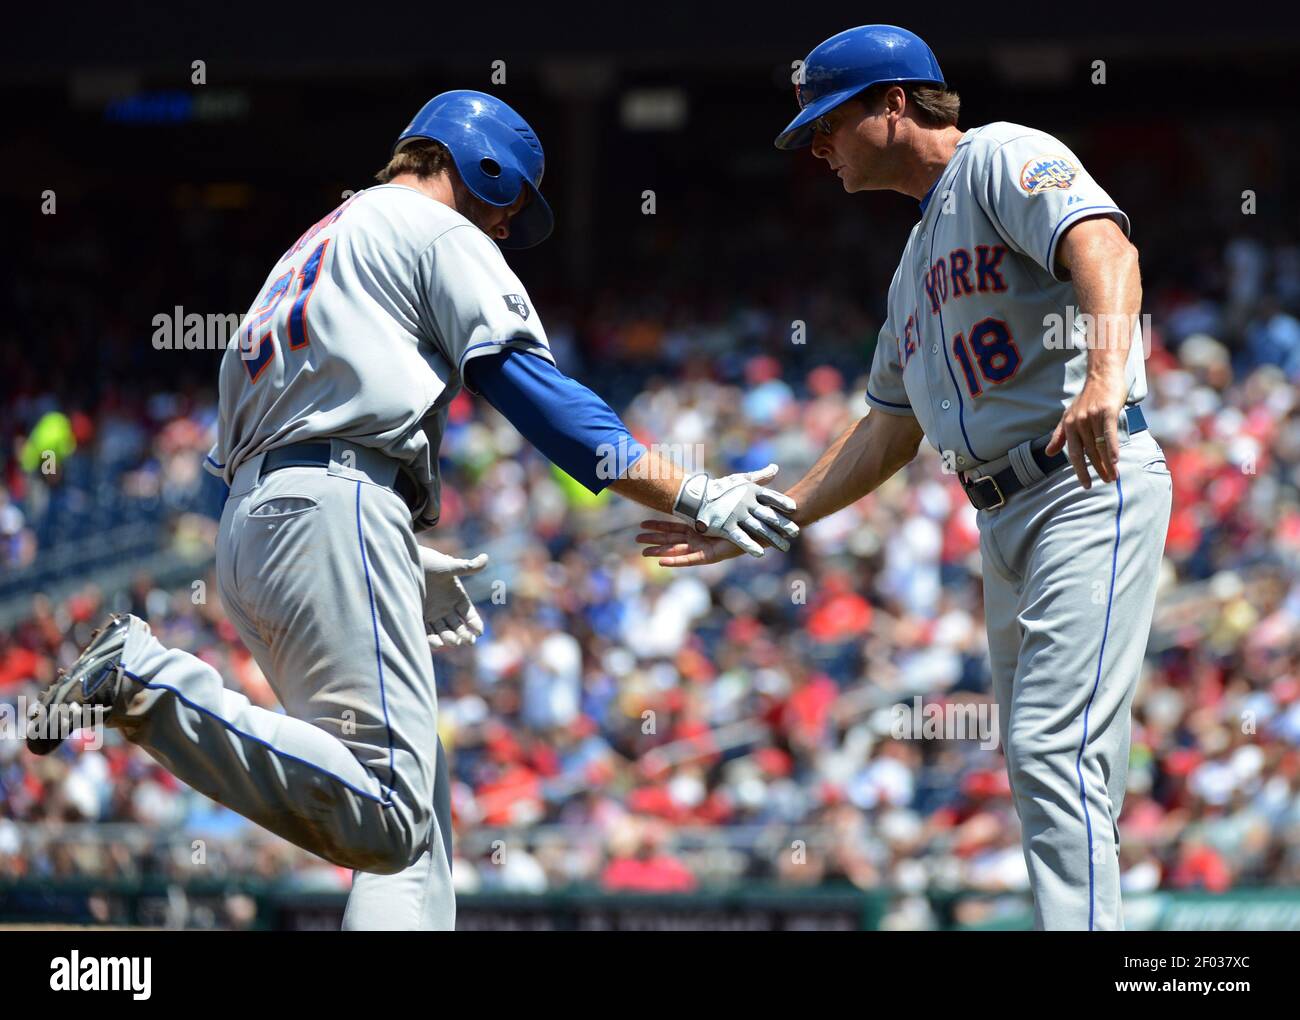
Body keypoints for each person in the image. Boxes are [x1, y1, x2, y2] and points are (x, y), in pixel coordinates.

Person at [27, 90, 798, 931]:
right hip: (329, 508)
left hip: (262, 517)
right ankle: (148, 681)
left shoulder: (319, 243)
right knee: (391, 813)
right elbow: (538, 397)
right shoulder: (437, 229)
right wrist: (692, 488)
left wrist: (394, 539)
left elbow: (295, 425)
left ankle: (149, 681)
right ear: (482, 164)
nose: (507, 228)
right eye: (512, 205)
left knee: (413, 839)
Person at [638, 26, 1172, 930]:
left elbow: (1107, 250)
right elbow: (888, 430)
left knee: (1053, 746)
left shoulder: (1004, 155)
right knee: (1053, 756)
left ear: (894, 104)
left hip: (1085, 474)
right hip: (1003, 512)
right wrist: (767, 516)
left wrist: (1104, 374)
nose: (817, 146)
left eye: (828, 123)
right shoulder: (915, 265)